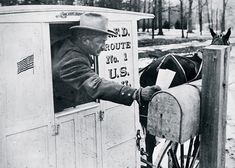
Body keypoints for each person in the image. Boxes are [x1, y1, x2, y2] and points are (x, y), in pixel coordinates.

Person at [52, 12, 161, 112]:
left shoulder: (68, 45)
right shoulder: (73, 58)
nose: (104, 47)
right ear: (85, 40)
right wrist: (136, 93)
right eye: (100, 42)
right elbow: (96, 85)